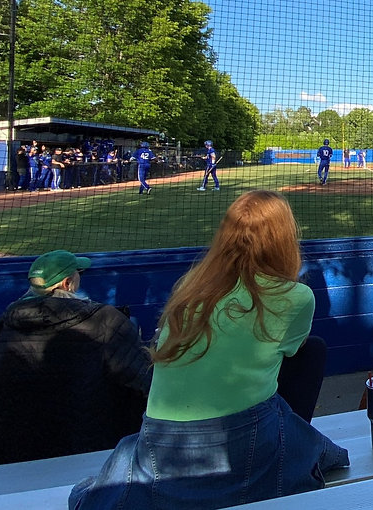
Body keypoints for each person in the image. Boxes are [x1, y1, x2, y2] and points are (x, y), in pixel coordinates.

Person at [68, 190, 348, 510]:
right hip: (241, 440)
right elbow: (294, 351)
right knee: (311, 352)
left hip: (158, 441)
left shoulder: (192, 287)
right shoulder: (296, 297)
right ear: (284, 239)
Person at [0, 250, 151, 468]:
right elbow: (144, 382)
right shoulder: (106, 321)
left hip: (9, 457)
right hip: (86, 451)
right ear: (67, 283)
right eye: (78, 273)